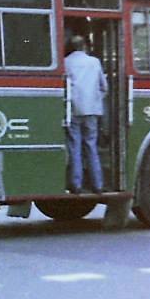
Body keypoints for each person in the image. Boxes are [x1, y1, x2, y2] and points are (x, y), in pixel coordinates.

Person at [64, 34, 108, 194]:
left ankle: (76, 184)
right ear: (84, 46)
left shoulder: (66, 62)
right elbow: (104, 87)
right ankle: (98, 184)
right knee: (91, 146)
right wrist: (96, 100)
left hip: (74, 110)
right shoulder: (94, 62)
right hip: (92, 111)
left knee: (75, 146)